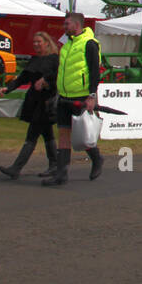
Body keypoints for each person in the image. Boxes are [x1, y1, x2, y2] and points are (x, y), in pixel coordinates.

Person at [43, 12, 102, 186]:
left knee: (83, 136)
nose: (64, 27)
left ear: (76, 25)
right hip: (64, 96)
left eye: (67, 24)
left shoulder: (89, 44)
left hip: (81, 95)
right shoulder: (67, 44)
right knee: (63, 134)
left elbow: (94, 71)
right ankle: (61, 174)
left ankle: (97, 159)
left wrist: (92, 95)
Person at [0, 32, 59, 180]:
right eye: (35, 42)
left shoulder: (55, 60)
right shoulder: (34, 59)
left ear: (47, 43)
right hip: (34, 100)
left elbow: (58, 79)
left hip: (46, 101)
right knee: (47, 133)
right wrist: (9, 88)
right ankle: (55, 165)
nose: (36, 44)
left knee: (32, 134)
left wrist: (46, 82)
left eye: (39, 42)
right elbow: (23, 78)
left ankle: (16, 168)